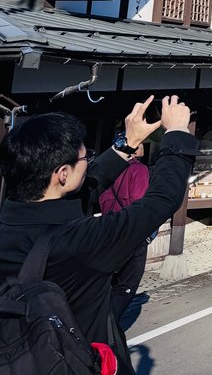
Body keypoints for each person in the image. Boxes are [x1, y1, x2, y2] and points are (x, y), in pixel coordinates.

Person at [0, 95, 196, 375]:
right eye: (85, 157)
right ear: (62, 174)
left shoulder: (11, 222)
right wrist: (177, 133)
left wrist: (127, 143)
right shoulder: (81, 240)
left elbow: (85, 187)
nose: (88, 162)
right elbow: (161, 200)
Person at [98, 130, 154, 324]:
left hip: (108, 228)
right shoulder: (139, 170)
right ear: (133, 147)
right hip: (131, 231)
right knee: (127, 284)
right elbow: (140, 202)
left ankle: (101, 320)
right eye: (141, 143)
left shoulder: (108, 168)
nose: (143, 146)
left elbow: (102, 198)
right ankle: (107, 327)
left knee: (109, 281)